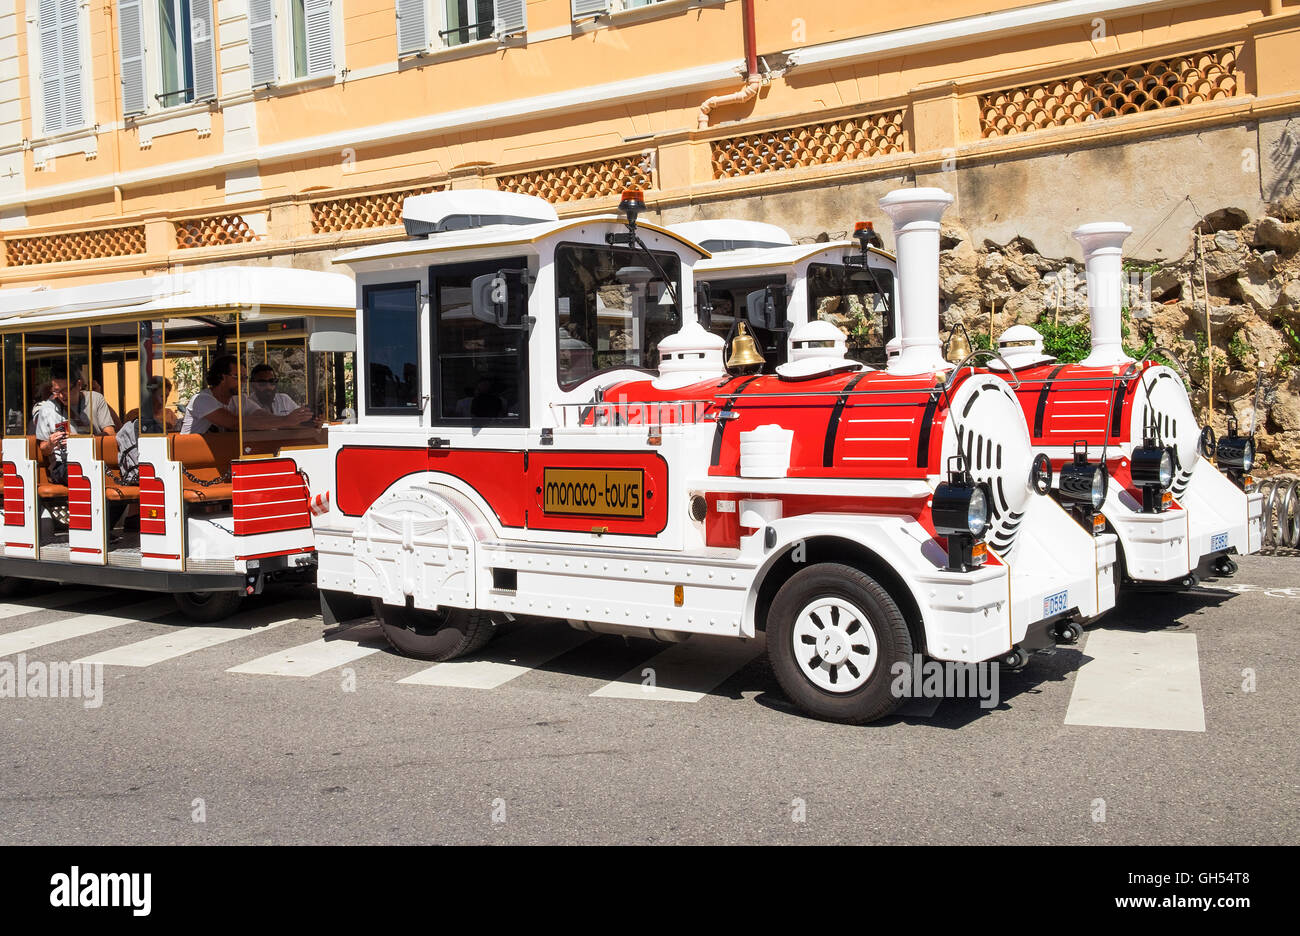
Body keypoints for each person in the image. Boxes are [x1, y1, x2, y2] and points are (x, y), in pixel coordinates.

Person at [180, 354, 312, 433]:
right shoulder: (202, 400)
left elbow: (263, 416)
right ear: (222, 377)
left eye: (245, 378)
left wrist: (305, 423)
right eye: (238, 377)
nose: (243, 382)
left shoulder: (239, 400)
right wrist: (286, 420)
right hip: (190, 462)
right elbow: (236, 424)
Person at [33, 367, 118, 485]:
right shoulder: (47, 409)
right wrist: (50, 443)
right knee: (82, 475)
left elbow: (110, 434)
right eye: (57, 391)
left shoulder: (95, 399)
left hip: (96, 460)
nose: (62, 396)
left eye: (66, 390)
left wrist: (79, 441)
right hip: (63, 465)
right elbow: (43, 448)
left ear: (79, 385)